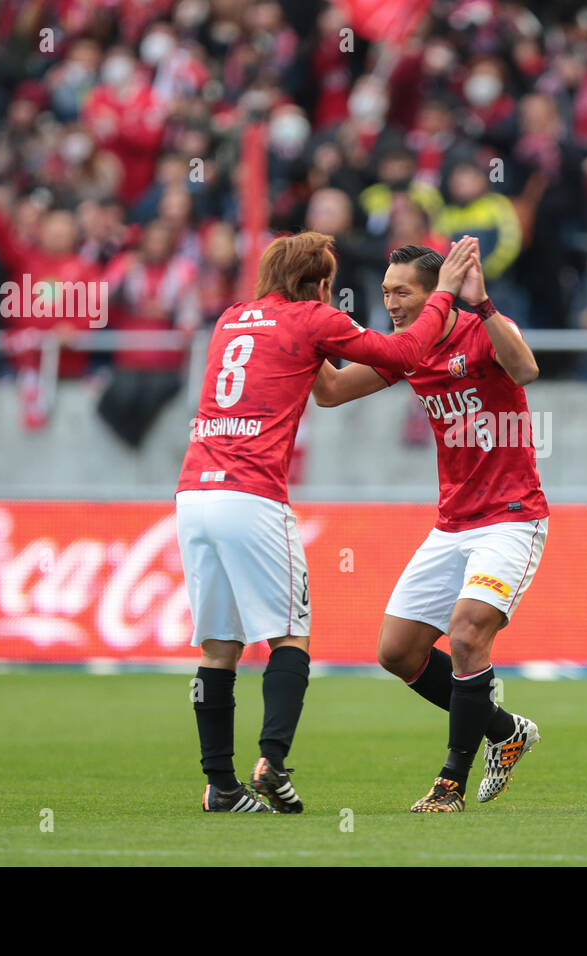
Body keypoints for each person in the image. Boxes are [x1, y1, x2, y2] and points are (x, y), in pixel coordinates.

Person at [176, 232, 479, 813]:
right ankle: (274, 762)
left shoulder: (232, 319)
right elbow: (403, 353)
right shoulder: (314, 317)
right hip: (253, 496)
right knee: (290, 637)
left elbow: (329, 387)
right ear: (318, 284)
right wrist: (441, 297)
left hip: (195, 492)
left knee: (218, 645)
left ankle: (220, 786)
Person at [311, 245, 548, 813]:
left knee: (467, 634)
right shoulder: (408, 352)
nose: (390, 303)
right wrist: (305, 323)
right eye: (387, 292)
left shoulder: (481, 328)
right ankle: (504, 730)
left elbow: (526, 371)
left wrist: (485, 304)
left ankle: (450, 784)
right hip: (451, 524)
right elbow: (331, 392)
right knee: (397, 651)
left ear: (435, 290)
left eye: (403, 292)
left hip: (511, 518)